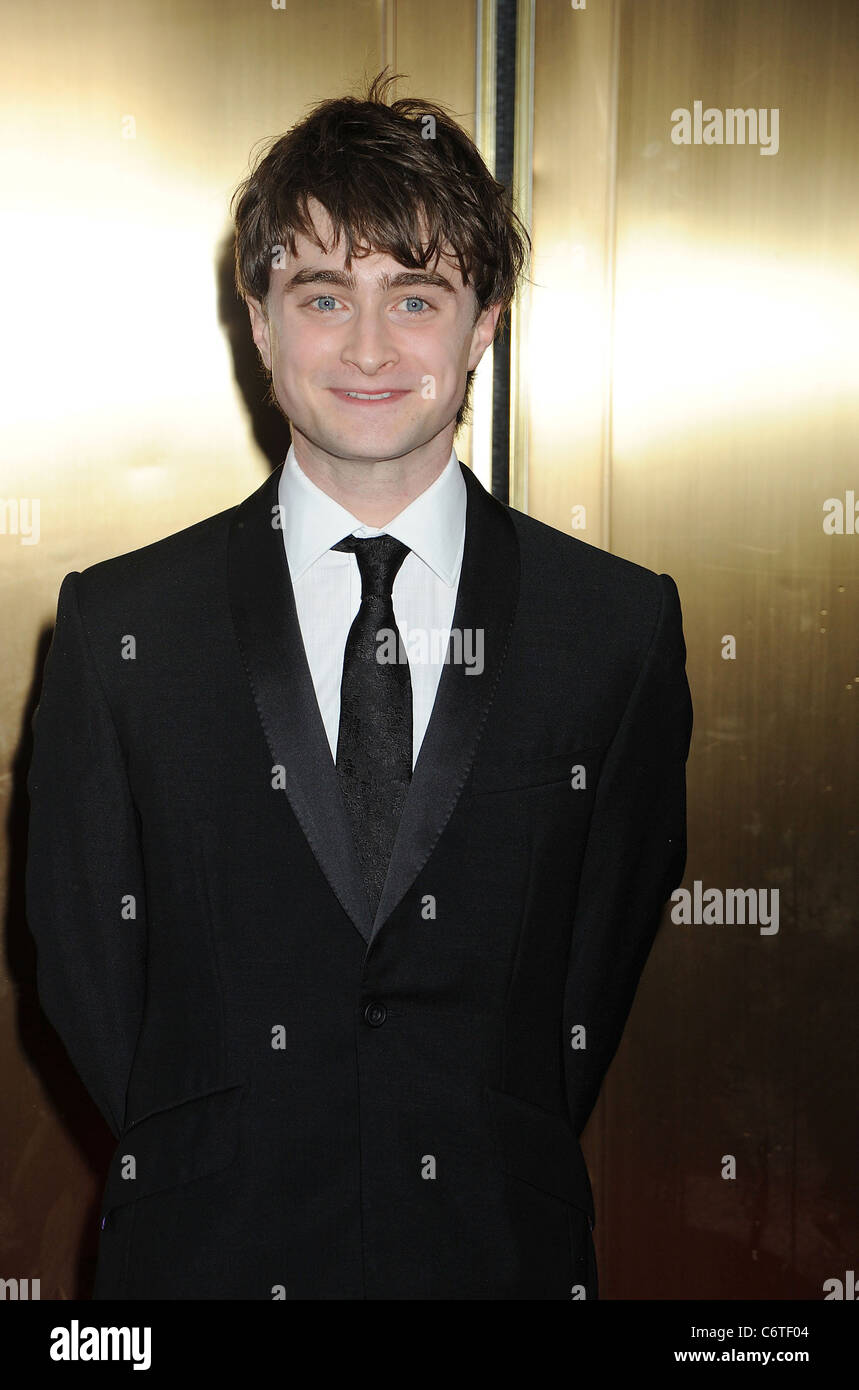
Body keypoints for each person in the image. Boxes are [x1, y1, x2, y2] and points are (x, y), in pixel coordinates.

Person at [25, 70, 692, 1300]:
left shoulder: (615, 627)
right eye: (323, 294)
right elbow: (85, 972)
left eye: (417, 295)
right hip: (201, 1265)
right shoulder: (121, 626)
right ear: (260, 318)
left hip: (499, 1258)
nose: (371, 347)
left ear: (484, 320)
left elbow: (586, 979)